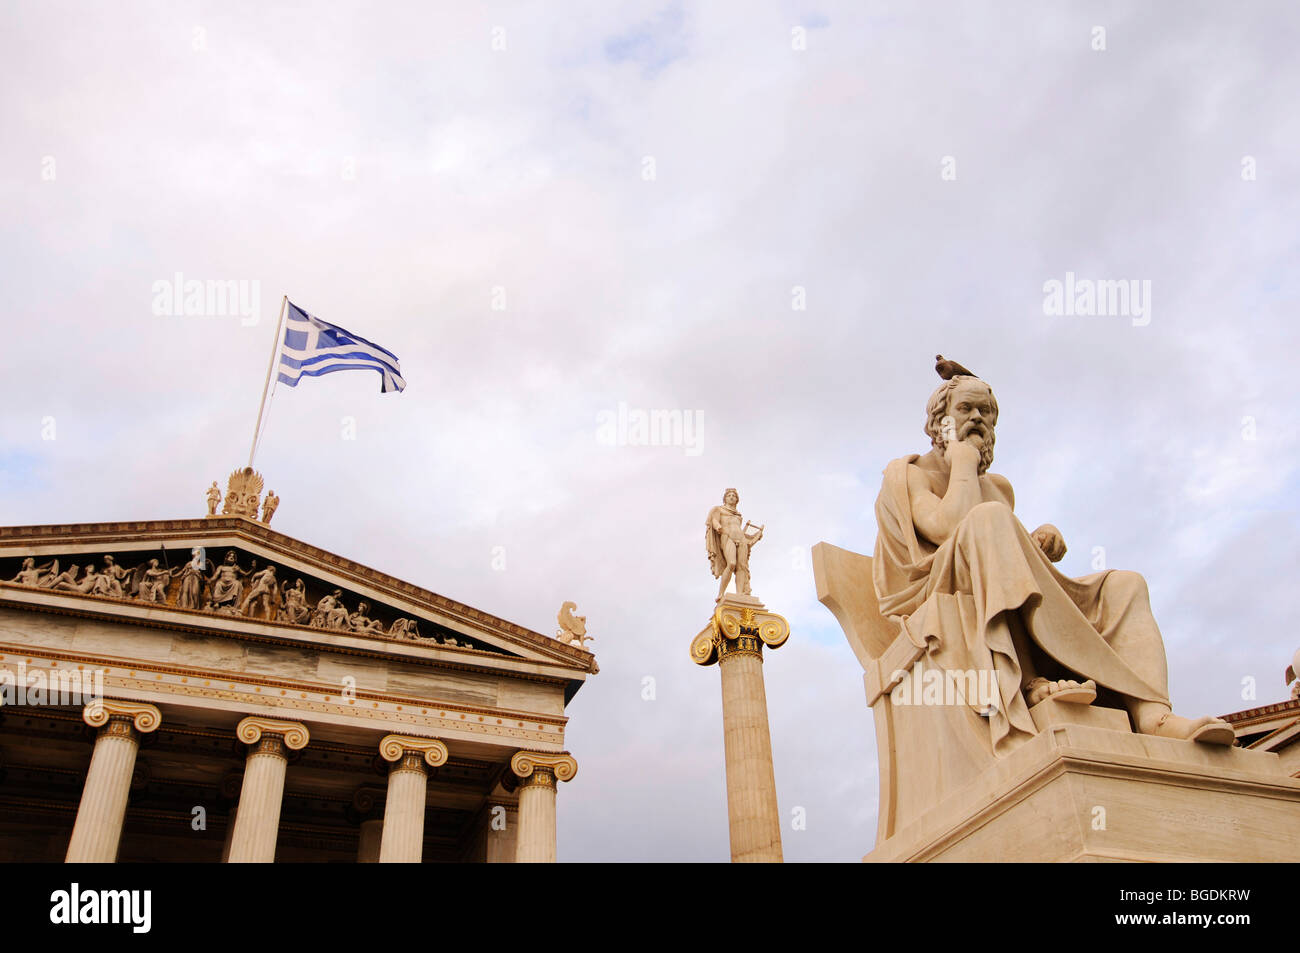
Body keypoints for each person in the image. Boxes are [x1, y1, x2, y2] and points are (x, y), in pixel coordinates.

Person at [872, 365, 1234, 755]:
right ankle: (1029, 680)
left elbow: (1000, 548)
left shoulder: (997, 488)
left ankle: (1153, 714)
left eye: (986, 412)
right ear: (941, 420)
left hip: (979, 567)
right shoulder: (908, 475)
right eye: (966, 409)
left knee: (1124, 584)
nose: (977, 418)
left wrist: (1037, 537)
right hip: (929, 589)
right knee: (989, 518)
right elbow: (951, 528)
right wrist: (962, 462)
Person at [705, 489, 764, 602]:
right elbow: (713, 520)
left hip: (741, 539)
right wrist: (718, 527)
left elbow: (739, 530)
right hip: (727, 536)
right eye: (729, 495)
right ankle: (721, 593)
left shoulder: (738, 515)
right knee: (731, 563)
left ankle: (740, 594)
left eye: (734, 496)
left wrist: (754, 536)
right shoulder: (719, 509)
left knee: (741, 566)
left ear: (737, 500)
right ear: (725, 498)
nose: (731, 497)